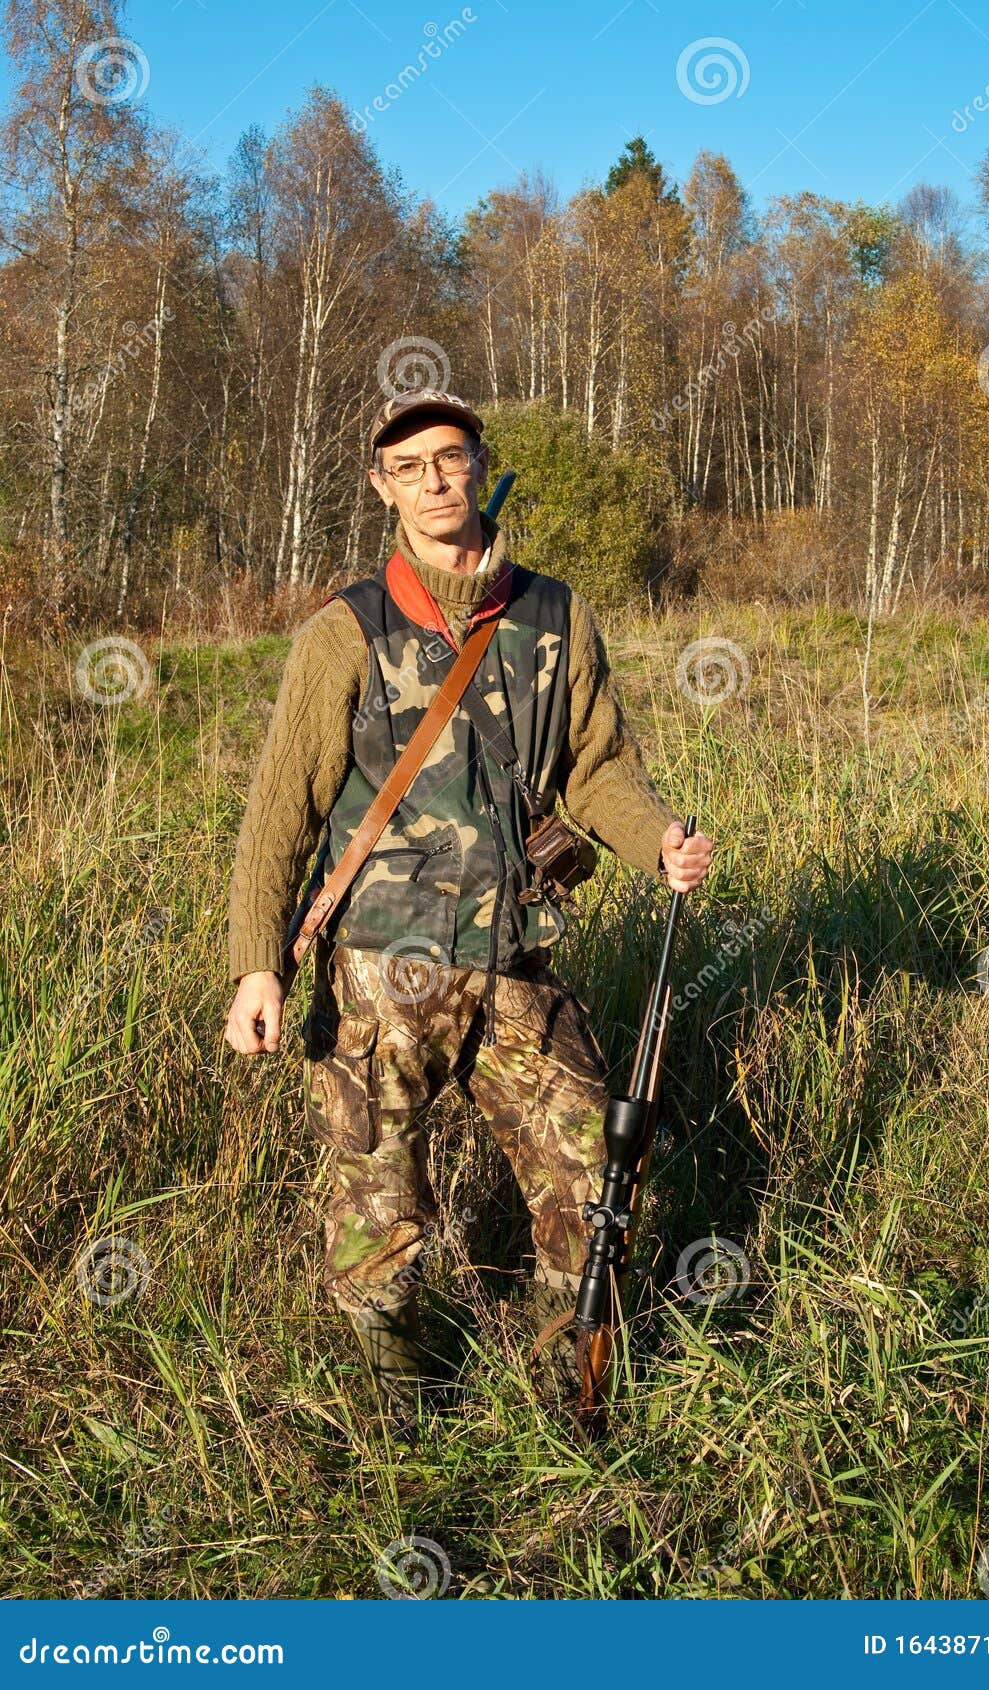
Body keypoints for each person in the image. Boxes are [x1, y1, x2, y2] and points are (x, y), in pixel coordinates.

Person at [224, 386, 715, 1425]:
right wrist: (258, 964)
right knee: (378, 1228)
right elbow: (281, 811)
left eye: (451, 457)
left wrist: (658, 838)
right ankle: (404, 1412)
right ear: (380, 486)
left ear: (482, 463)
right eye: (409, 466)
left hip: (519, 963)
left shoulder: (554, 612)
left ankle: (560, 1397)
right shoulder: (345, 630)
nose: (436, 480)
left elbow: (597, 765)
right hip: (379, 972)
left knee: (601, 1190)